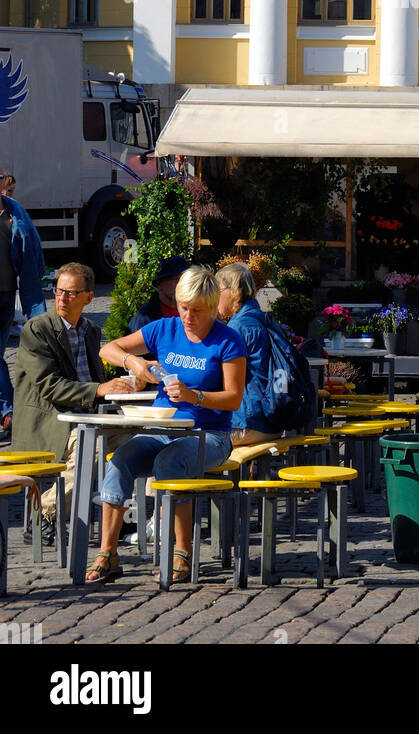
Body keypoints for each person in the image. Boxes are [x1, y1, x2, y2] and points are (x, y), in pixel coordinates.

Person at [91, 266, 246, 583]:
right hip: (162, 428)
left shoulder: (228, 340)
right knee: (121, 461)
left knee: (170, 461)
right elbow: (108, 348)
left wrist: (194, 396)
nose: (188, 317)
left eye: (197, 311)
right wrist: (134, 362)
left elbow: (233, 398)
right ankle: (108, 552)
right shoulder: (165, 329)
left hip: (209, 435)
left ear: (214, 306)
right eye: (183, 308)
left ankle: (182, 551)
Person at [10, 262, 136, 543]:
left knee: (134, 438)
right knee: (89, 443)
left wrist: (123, 388)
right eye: (58, 291)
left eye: (70, 293)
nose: (62, 298)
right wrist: (101, 389)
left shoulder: (90, 330)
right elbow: (50, 386)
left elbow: (93, 377)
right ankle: (43, 512)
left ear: (89, 298)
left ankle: (116, 512)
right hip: (49, 422)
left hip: (86, 416)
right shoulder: (37, 330)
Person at [0, 165, 46, 441]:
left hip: (4, 295)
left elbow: (31, 251)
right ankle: (8, 413)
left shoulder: (13, 213)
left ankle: (9, 412)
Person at [215, 262, 280, 446]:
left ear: (232, 291)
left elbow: (216, 373)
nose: (215, 297)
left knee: (183, 440)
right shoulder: (262, 318)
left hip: (245, 423)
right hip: (271, 420)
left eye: (218, 290)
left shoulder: (238, 327)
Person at [127, 256, 188, 334]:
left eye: (185, 279)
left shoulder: (192, 310)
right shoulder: (145, 319)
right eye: (177, 279)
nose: (182, 284)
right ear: (159, 284)